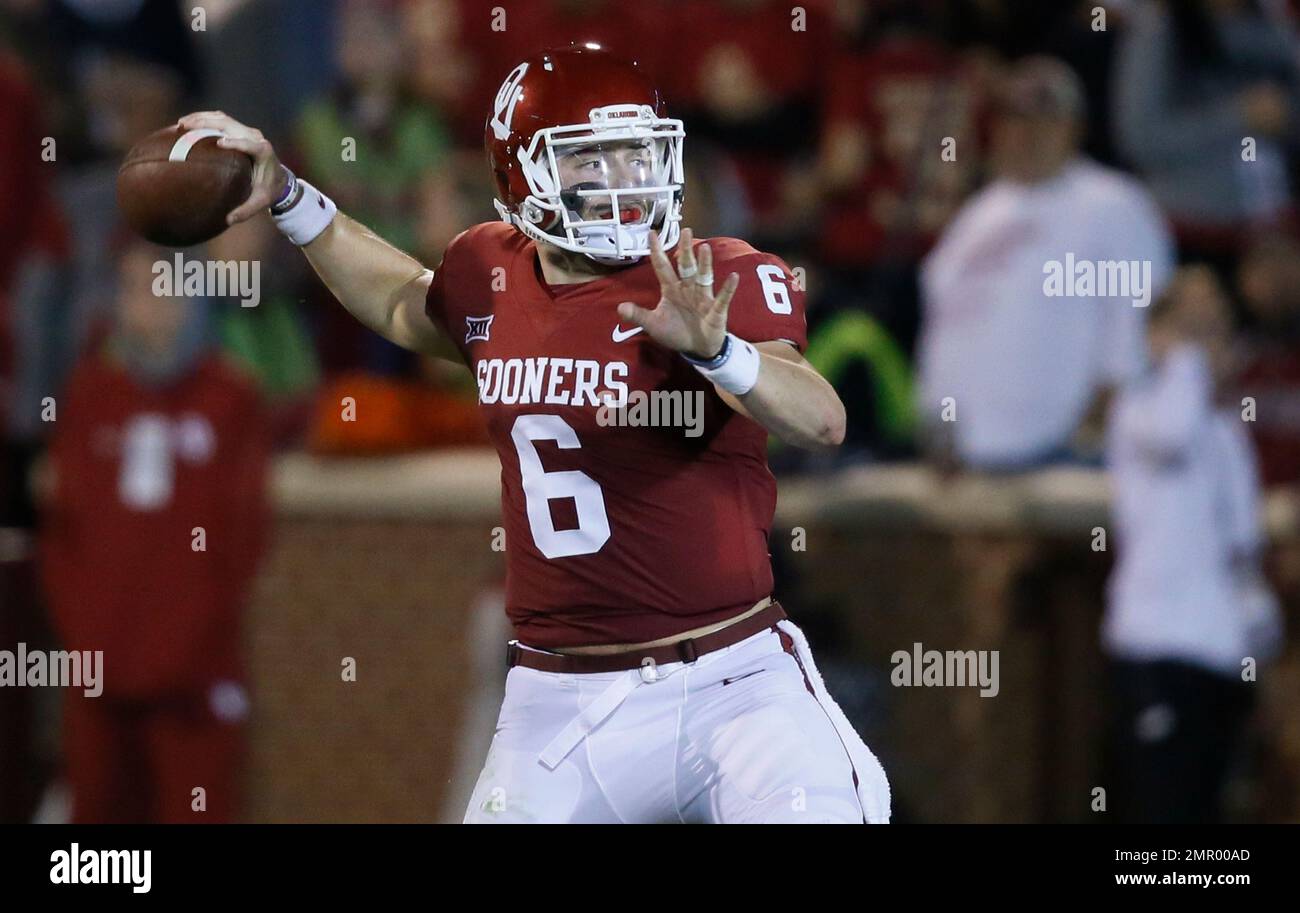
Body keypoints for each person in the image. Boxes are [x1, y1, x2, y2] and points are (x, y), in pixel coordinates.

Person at [180, 43, 890, 824]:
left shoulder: (712, 274)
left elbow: (821, 419)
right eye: (595, 159)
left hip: (735, 683)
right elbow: (397, 302)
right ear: (525, 174)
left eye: (637, 153)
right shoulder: (490, 270)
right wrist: (288, 195)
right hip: (560, 700)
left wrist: (719, 352)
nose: (626, 180)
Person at [40, 240, 270, 823]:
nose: (139, 303)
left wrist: (187, 645)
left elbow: (243, 542)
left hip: (192, 679)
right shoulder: (92, 394)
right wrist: (88, 638)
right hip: (100, 677)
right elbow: (63, 534)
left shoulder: (231, 400)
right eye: (129, 286)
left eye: (154, 286)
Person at [915, 56, 1174, 471]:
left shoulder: (1114, 205)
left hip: (1063, 455)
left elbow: (1138, 332)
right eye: (1015, 119)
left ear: (1075, 128)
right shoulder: (977, 215)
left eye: (1045, 118)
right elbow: (943, 323)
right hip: (964, 461)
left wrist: (1094, 435)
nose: (1027, 133)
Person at [1104, 265, 1283, 823]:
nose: (1204, 345)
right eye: (1189, 328)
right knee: (1164, 813)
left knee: (1208, 813)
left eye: (1216, 330)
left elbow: (1241, 543)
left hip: (1220, 657)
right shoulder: (1139, 411)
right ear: (1157, 338)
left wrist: (1256, 629)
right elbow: (1175, 430)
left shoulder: (1228, 432)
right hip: (1158, 648)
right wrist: (1184, 358)